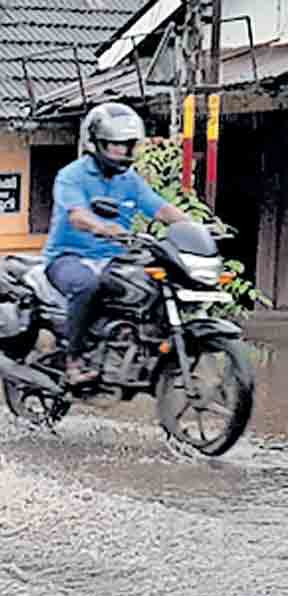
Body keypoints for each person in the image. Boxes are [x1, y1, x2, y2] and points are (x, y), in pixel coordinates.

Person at [42, 102, 189, 386]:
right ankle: (74, 359)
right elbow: (76, 215)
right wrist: (100, 226)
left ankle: (139, 348)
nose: (125, 151)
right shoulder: (71, 176)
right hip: (67, 257)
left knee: (151, 284)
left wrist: (195, 227)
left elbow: (160, 208)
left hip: (114, 258)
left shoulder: (129, 180)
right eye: (117, 145)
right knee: (87, 285)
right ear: (96, 143)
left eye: (130, 145)